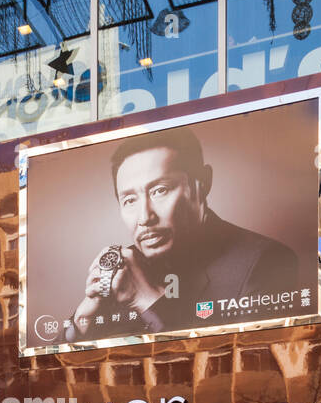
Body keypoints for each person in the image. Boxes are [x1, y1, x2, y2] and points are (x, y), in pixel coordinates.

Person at [67, 125, 298, 340]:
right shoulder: (121, 271)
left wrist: (147, 301)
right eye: (129, 200)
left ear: (203, 183)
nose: (144, 218)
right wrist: (82, 320)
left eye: (160, 190)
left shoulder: (266, 262)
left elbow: (244, 370)